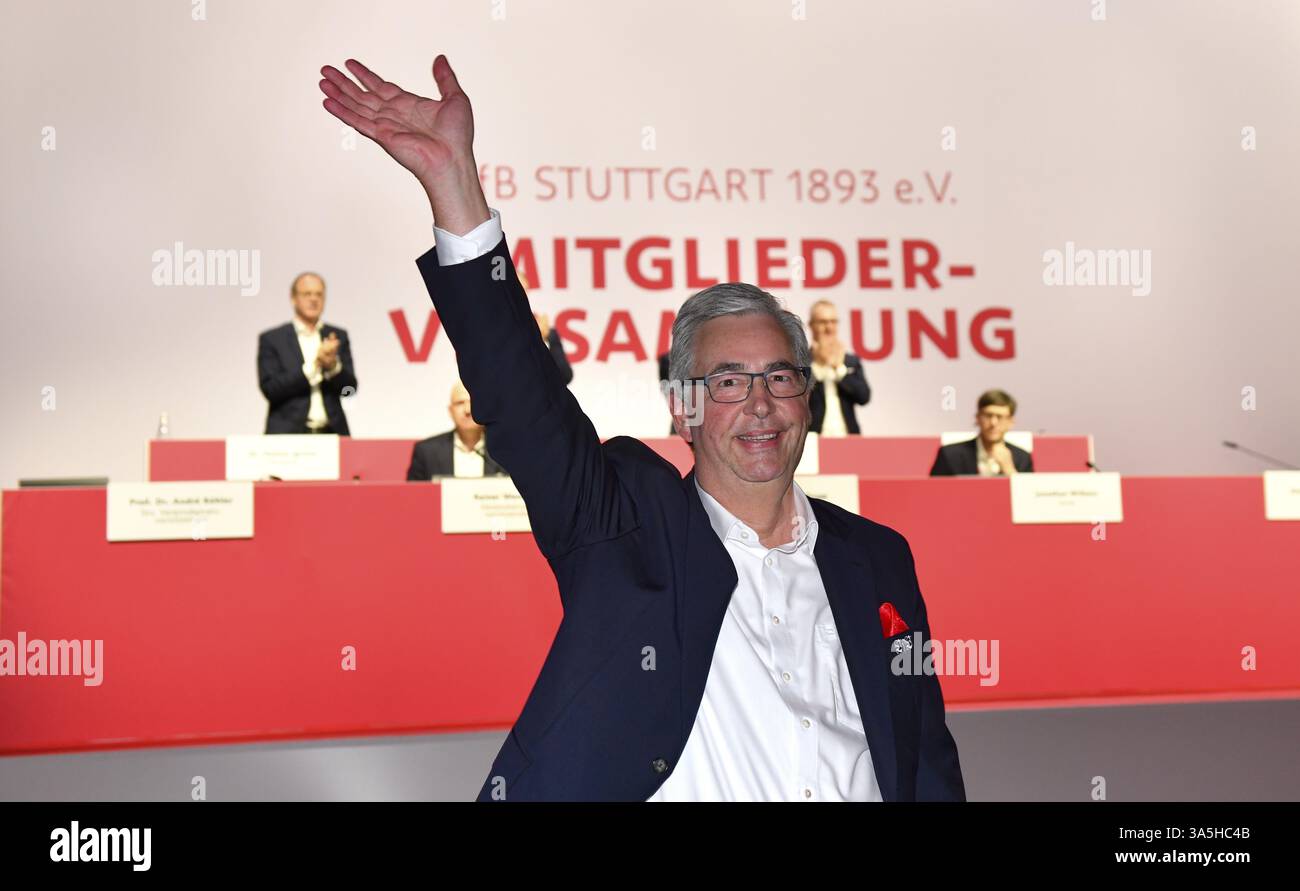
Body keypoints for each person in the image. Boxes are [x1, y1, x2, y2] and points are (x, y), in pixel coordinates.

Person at [319, 53, 963, 802]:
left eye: (780, 376)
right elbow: (524, 398)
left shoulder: (878, 559)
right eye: (727, 381)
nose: (760, 402)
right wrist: (454, 186)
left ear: (807, 399)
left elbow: (924, 762)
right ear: (682, 408)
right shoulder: (628, 527)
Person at [257, 272, 358, 434]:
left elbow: (350, 391)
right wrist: (315, 365)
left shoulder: (337, 336)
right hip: (288, 436)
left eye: (319, 294)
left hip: (332, 433)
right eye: (307, 294)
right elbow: (271, 390)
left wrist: (332, 367)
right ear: (293, 298)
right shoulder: (273, 339)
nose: (313, 299)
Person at [407, 380, 508, 479]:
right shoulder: (426, 452)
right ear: (450, 411)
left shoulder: (506, 450)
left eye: (473, 402)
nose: (467, 410)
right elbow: (413, 495)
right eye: (460, 403)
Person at [930, 389, 1034, 476]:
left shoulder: (1022, 458)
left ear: (1011, 422)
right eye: (988, 416)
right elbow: (932, 493)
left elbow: (1029, 497)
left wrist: (1010, 470)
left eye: (1000, 417)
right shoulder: (950, 455)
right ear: (977, 418)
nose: (993, 423)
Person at [807, 300, 871, 435]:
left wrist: (837, 367)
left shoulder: (850, 361)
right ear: (811, 325)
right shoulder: (802, 361)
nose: (829, 328)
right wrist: (818, 365)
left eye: (833, 322)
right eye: (823, 322)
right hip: (813, 441)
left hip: (847, 439)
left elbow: (864, 397)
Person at [518, 272, 574, 385]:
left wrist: (542, 341)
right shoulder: (490, 331)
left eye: (523, 291)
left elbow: (565, 375)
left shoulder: (545, 332)